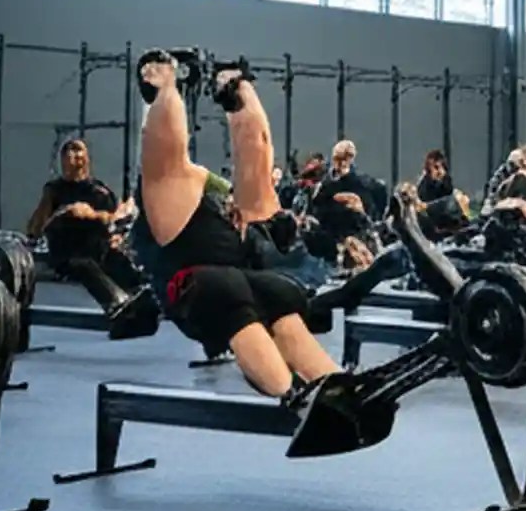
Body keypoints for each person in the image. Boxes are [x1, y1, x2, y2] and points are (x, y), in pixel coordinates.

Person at [130, 54, 362, 410]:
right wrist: (165, 83)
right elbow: (164, 143)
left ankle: (333, 385)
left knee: (279, 293)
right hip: (192, 286)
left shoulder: (221, 195)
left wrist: (238, 87)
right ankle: (293, 397)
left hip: (235, 273)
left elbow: (256, 148)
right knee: (226, 291)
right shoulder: (166, 189)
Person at [26, 139, 159, 339]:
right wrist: (59, 212)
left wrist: (90, 215)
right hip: (67, 253)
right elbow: (35, 229)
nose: (73, 156)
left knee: (116, 259)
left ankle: (145, 297)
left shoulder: (99, 191)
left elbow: (115, 220)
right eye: (68, 152)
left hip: (98, 248)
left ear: (86, 158)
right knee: (84, 265)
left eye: (78, 150)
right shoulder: (54, 190)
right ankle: (117, 305)